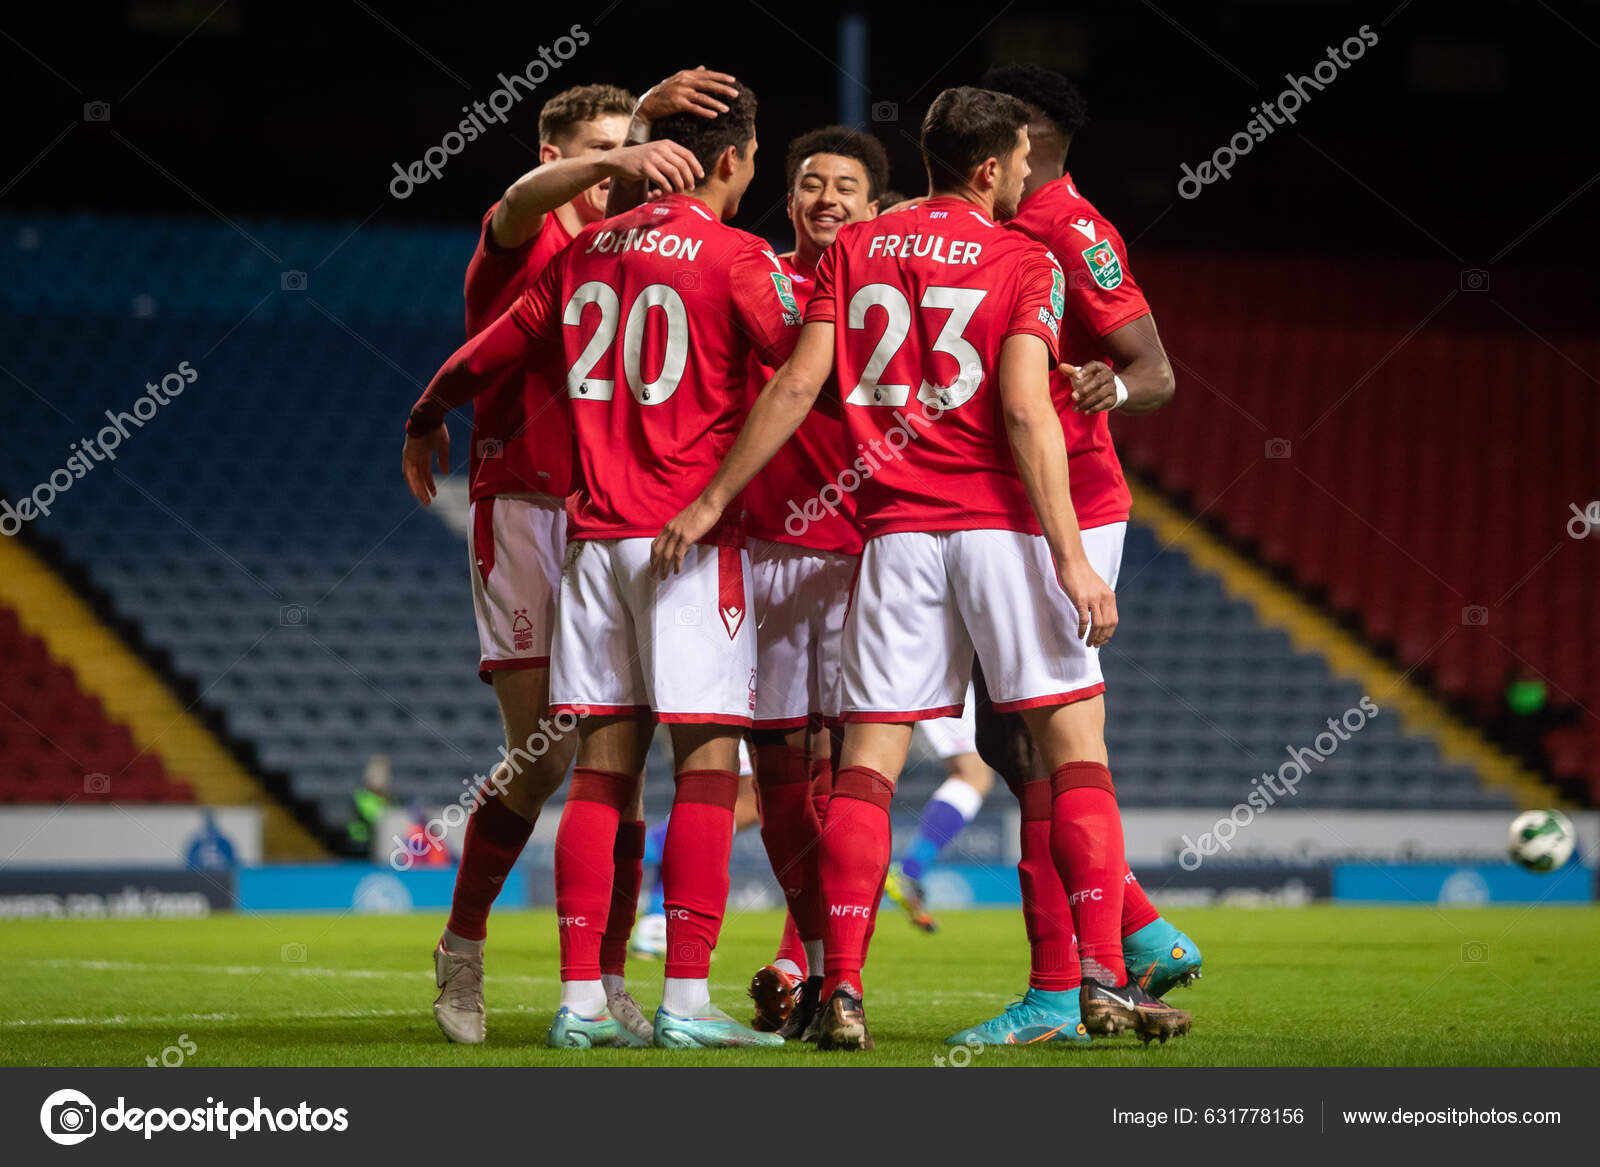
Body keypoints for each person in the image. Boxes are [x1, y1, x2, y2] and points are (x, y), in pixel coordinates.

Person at [652, 85, 1183, 1050]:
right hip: (1005, 533)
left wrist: (714, 498)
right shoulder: (1024, 257)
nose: (1029, 173)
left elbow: (801, 380)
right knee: (1073, 753)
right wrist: (1072, 558)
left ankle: (841, 988)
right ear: (988, 168)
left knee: (866, 768)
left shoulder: (858, 249)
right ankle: (1105, 976)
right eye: (1021, 160)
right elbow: (1025, 411)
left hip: (893, 535)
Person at [412, 77, 802, 1049]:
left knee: (606, 764)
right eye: (604, 151)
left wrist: (650, 117)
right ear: (561, 160)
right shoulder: (535, 238)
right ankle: (466, 946)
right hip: (535, 513)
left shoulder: (605, 249)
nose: (635, 162)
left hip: (593, 519)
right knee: (548, 760)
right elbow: (520, 204)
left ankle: (600, 982)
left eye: (639, 144)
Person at [942, 63, 1198, 1047]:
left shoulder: (1066, 226)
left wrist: (1111, 390)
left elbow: (1157, 371)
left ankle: (1078, 977)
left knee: (1044, 738)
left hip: (1067, 507)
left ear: (1024, 140)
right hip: (994, 505)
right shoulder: (992, 222)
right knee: (1013, 743)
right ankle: (1130, 932)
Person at [737, 125, 889, 1040]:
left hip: (870, 555)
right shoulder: (755, 278)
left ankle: (828, 971)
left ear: (872, 209)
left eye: (847, 188)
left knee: (851, 782)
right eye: (810, 184)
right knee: (782, 786)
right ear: (788, 200)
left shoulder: (889, 295)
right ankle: (816, 965)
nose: (827, 198)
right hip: (763, 552)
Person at [884, 684, 993, 934]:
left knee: (857, 763)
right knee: (973, 775)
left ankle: (843, 902)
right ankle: (909, 871)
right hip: (938, 663)